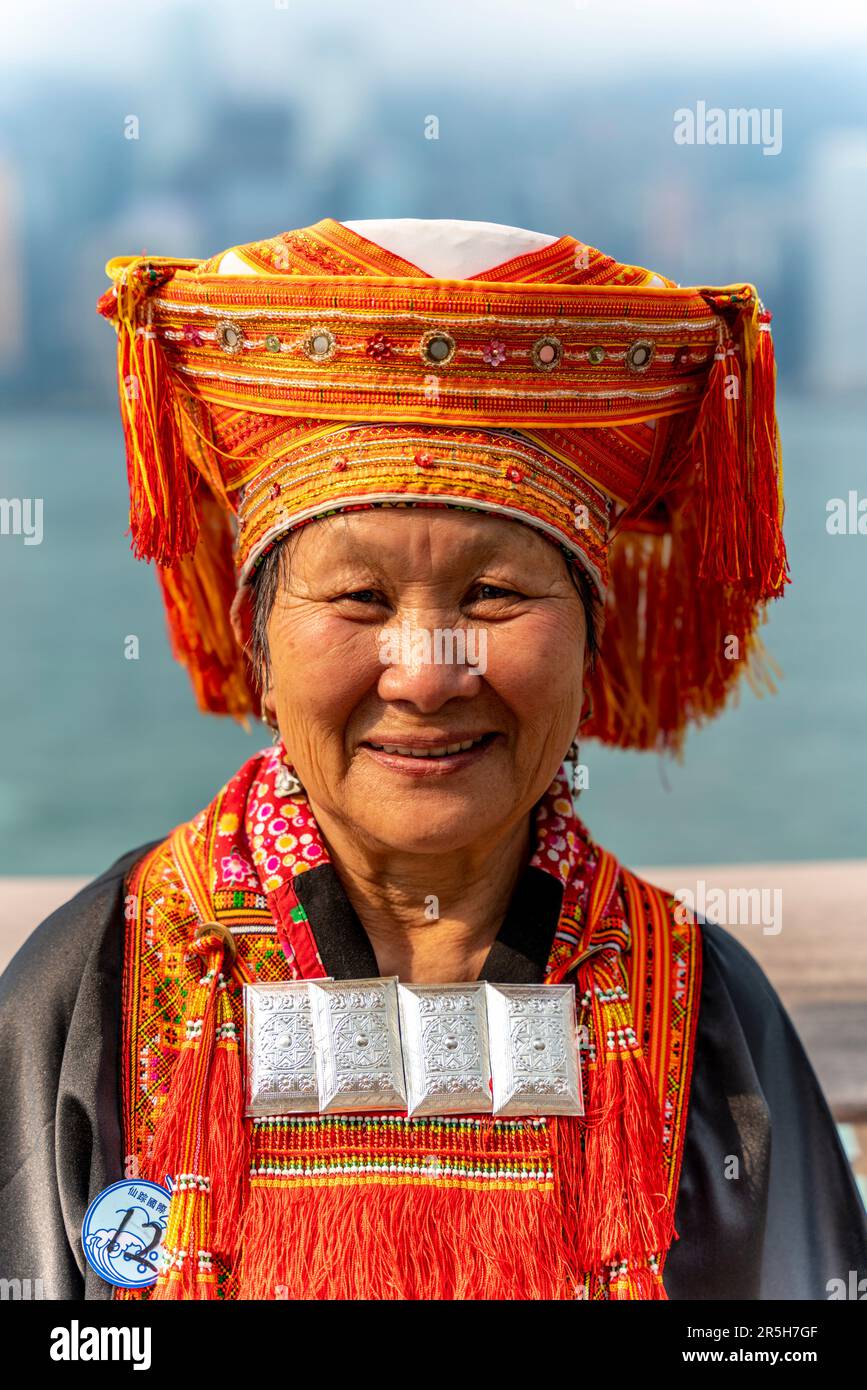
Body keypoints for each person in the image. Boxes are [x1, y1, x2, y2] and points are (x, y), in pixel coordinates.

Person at [1, 218, 864, 1301]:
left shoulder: (700, 1013)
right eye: (359, 598)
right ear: (256, 646)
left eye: (495, 595)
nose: (425, 674)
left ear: (594, 647)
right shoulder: (97, 989)